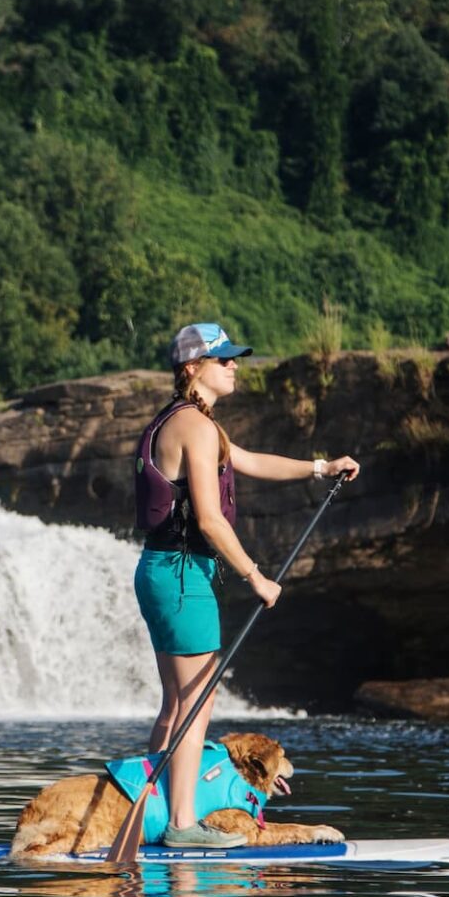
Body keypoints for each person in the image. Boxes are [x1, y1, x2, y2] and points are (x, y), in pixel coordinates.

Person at [133, 323, 358, 847]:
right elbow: (211, 520)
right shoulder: (195, 426)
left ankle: (150, 814)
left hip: (162, 572)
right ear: (192, 368)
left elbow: (250, 462)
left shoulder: (185, 422)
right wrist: (256, 577)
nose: (234, 366)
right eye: (223, 359)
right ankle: (181, 826)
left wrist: (321, 467)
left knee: (177, 703)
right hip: (185, 577)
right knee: (195, 706)